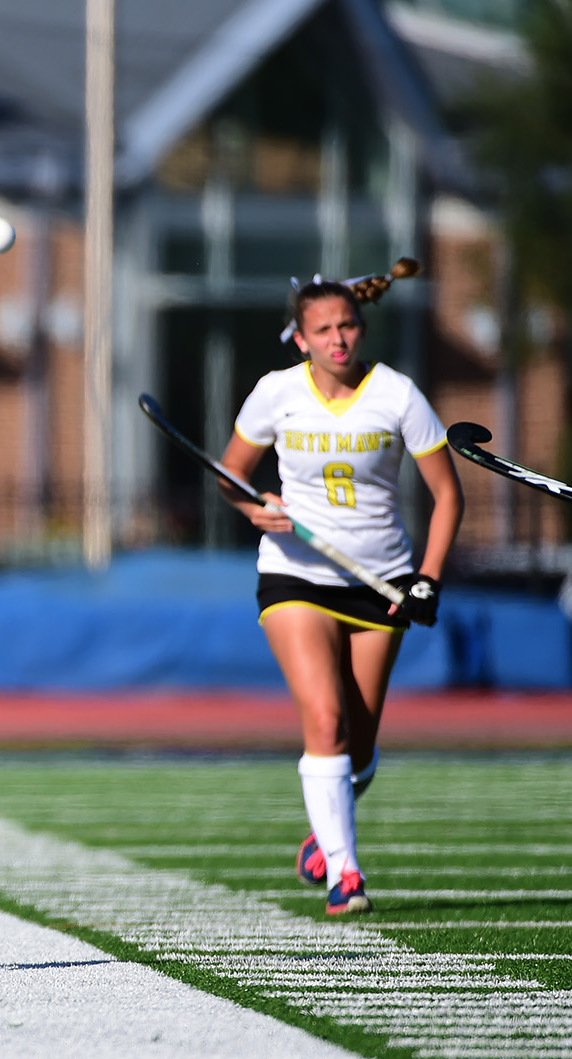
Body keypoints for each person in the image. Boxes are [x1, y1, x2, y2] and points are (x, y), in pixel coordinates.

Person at [218, 280, 462, 916]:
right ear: (301, 340)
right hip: (295, 575)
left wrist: (428, 578)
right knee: (325, 720)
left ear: (361, 327)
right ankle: (345, 873)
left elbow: (447, 495)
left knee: (358, 747)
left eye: (347, 325)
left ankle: (326, 830)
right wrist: (253, 508)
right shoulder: (276, 392)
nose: (338, 339)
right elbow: (230, 475)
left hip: (380, 583)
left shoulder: (397, 394)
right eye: (323, 330)